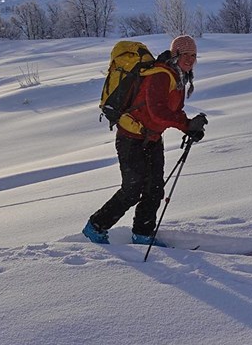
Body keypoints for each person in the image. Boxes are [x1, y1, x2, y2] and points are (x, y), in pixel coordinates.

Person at [83, 35, 207, 247]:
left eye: (194, 55)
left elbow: (171, 111)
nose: (190, 59)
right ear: (176, 54)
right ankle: (95, 227)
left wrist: (190, 127)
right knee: (132, 190)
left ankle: (143, 234)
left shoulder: (178, 78)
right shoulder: (160, 75)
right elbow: (157, 112)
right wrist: (186, 125)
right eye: (186, 54)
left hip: (151, 138)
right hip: (130, 138)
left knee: (155, 189)